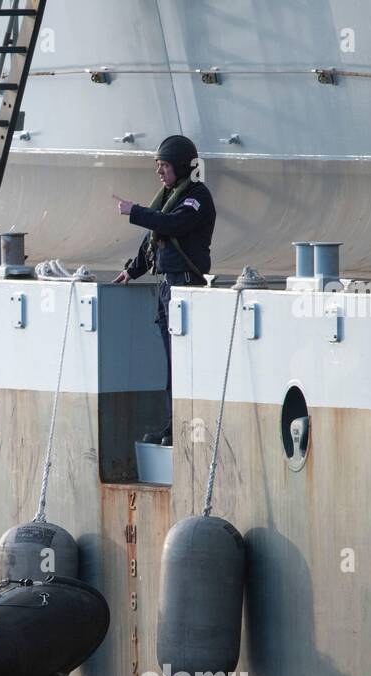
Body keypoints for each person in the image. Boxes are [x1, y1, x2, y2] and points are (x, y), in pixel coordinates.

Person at [112, 134, 216, 446]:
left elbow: (171, 225)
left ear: (182, 167)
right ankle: (172, 426)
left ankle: (185, 427)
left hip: (184, 287)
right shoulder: (170, 198)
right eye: (157, 166)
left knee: (183, 362)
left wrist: (134, 211)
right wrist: (132, 270)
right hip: (169, 287)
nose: (159, 172)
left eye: (164, 166)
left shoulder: (195, 198)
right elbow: (153, 241)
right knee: (171, 363)